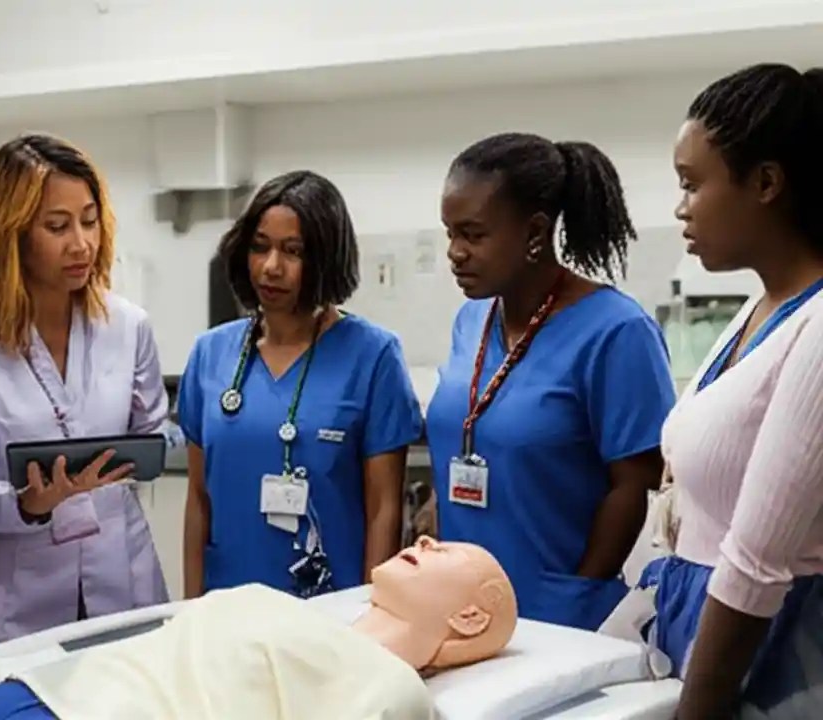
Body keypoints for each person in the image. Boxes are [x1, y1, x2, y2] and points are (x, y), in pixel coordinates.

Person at [0, 134, 170, 681]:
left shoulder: (129, 327)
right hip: (12, 596)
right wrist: (29, 504)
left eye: (89, 220)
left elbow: (154, 432)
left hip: (118, 577)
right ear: (12, 234)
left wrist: (154, 445)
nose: (81, 243)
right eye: (57, 227)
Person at [631, 64, 823, 720]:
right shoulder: (760, 309)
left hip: (775, 653)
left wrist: (696, 710)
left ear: (766, 183)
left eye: (692, 184)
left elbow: (756, 561)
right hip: (709, 624)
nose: (681, 206)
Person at [426, 132, 675, 632]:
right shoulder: (470, 322)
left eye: (473, 235)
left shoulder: (616, 331)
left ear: (535, 231)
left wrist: (578, 591)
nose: (455, 252)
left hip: (556, 613)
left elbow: (635, 484)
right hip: (458, 608)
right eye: (450, 233)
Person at [0, 537, 516, 720]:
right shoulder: (297, 610)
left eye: (447, 553)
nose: (425, 537)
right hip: (42, 694)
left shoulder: (394, 690)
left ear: (469, 616)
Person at [178, 170, 424, 600]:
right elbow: (199, 501)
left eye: (293, 251)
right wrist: (191, 609)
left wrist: (369, 616)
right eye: (260, 247)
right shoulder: (210, 355)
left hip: (329, 610)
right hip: (226, 606)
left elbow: (383, 510)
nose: (272, 267)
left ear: (326, 258)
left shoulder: (373, 356)